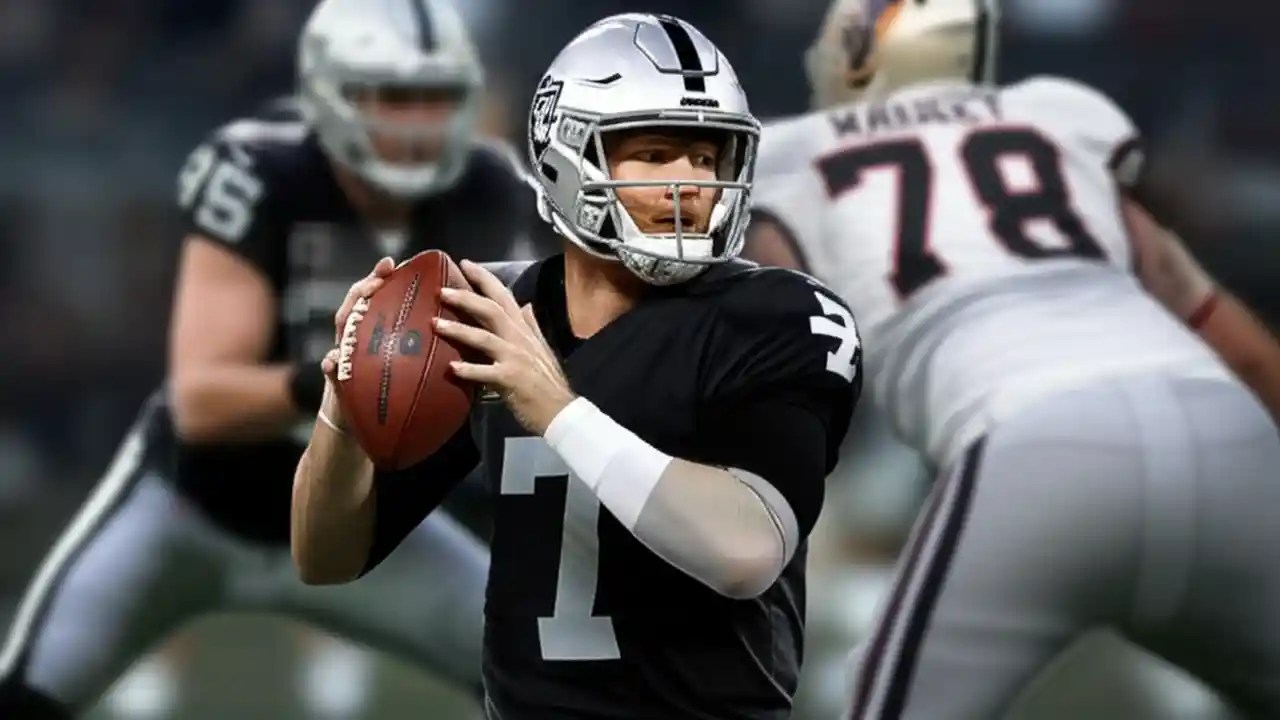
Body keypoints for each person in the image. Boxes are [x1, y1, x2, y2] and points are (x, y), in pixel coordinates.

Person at [292, 13, 862, 720]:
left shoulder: (773, 317)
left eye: (708, 158)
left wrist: (558, 411)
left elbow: (745, 552)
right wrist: (344, 407)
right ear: (566, 155)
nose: (689, 184)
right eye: (654, 154)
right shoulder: (488, 308)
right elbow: (327, 557)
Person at [0, 0, 538, 716]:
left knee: (548, 683)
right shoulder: (260, 174)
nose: (419, 124)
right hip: (191, 513)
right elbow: (203, 401)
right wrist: (349, 377)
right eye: (394, 97)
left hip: (358, 527)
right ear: (328, 93)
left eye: (437, 99)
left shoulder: (485, 190)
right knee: (29, 697)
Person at [744, 0, 1280, 718]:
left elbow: (750, 338)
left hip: (1034, 443)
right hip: (1219, 424)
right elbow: (1235, 343)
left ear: (851, 60)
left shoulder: (792, 157)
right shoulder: (1056, 123)